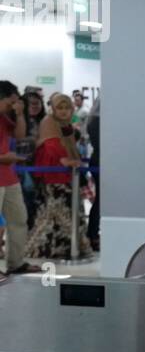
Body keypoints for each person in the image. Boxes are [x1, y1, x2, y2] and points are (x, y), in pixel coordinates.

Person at [25, 93, 93, 260]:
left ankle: (65, 248)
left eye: (66, 108)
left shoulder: (64, 124)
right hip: (53, 173)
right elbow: (52, 145)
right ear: (53, 108)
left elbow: (68, 144)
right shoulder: (49, 122)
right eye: (59, 108)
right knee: (53, 212)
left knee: (63, 210)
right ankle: (39, 248)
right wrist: (65, 160)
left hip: (64, 174)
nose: (63, 111)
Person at [0, 81, 41, 274]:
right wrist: (3, 158)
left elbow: (20, 134)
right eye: (11, 102)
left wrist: (18, 113)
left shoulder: (4, 117)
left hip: (9, 176)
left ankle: (15, 263)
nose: (14, 105)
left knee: (19, 219)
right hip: (4, 169)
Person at [19, 90, 46, 229]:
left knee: (39, 202)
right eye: (30, 104)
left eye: (37, 103)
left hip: (43, 166)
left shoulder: (45, 120)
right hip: (24, 167)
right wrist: (36, 142)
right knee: (27, 201)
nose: (34, 106)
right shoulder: (19, 121)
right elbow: (18, 143)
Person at [86, 97, 101, 251]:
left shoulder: (93, 119)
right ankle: (93, 234)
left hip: (99, 160)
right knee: (101, 201)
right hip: (102, 162)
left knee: (101, 200)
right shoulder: (97, 121)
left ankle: (93, 234)